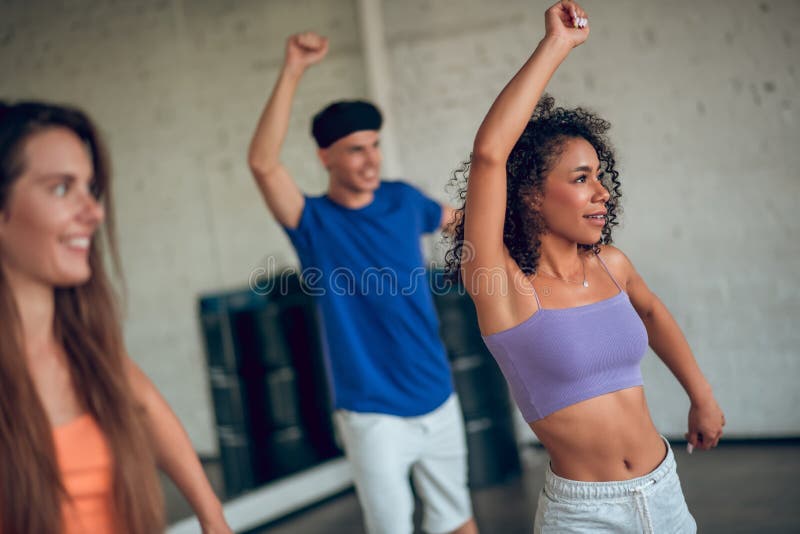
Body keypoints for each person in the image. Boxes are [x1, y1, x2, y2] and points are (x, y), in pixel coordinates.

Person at [446, 2, 725, 532]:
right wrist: (558, 44)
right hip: (584, 515)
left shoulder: (611, 264)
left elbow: (651, 311)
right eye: (581, 179)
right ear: (528, 196)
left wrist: (701, 396)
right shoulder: (500, 286)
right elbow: (489, 155)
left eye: (601, 176)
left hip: (664, 489)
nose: (603, 192)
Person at [247, 32, 477, 534]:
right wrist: (292, 69)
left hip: (437, 394)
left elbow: (469, 221)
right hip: (372, 414)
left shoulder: (403, 199)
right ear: (325, 157)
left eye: (374, 146)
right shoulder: (313, 222)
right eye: (355, 151)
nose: (371, 159)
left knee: (457, 522)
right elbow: (263, 163)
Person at [0, 101, 232, 534]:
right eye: (60, 189)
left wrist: (212, 516)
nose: (94, 212)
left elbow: (146, 410)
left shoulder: (89, 354)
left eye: (91, 188)